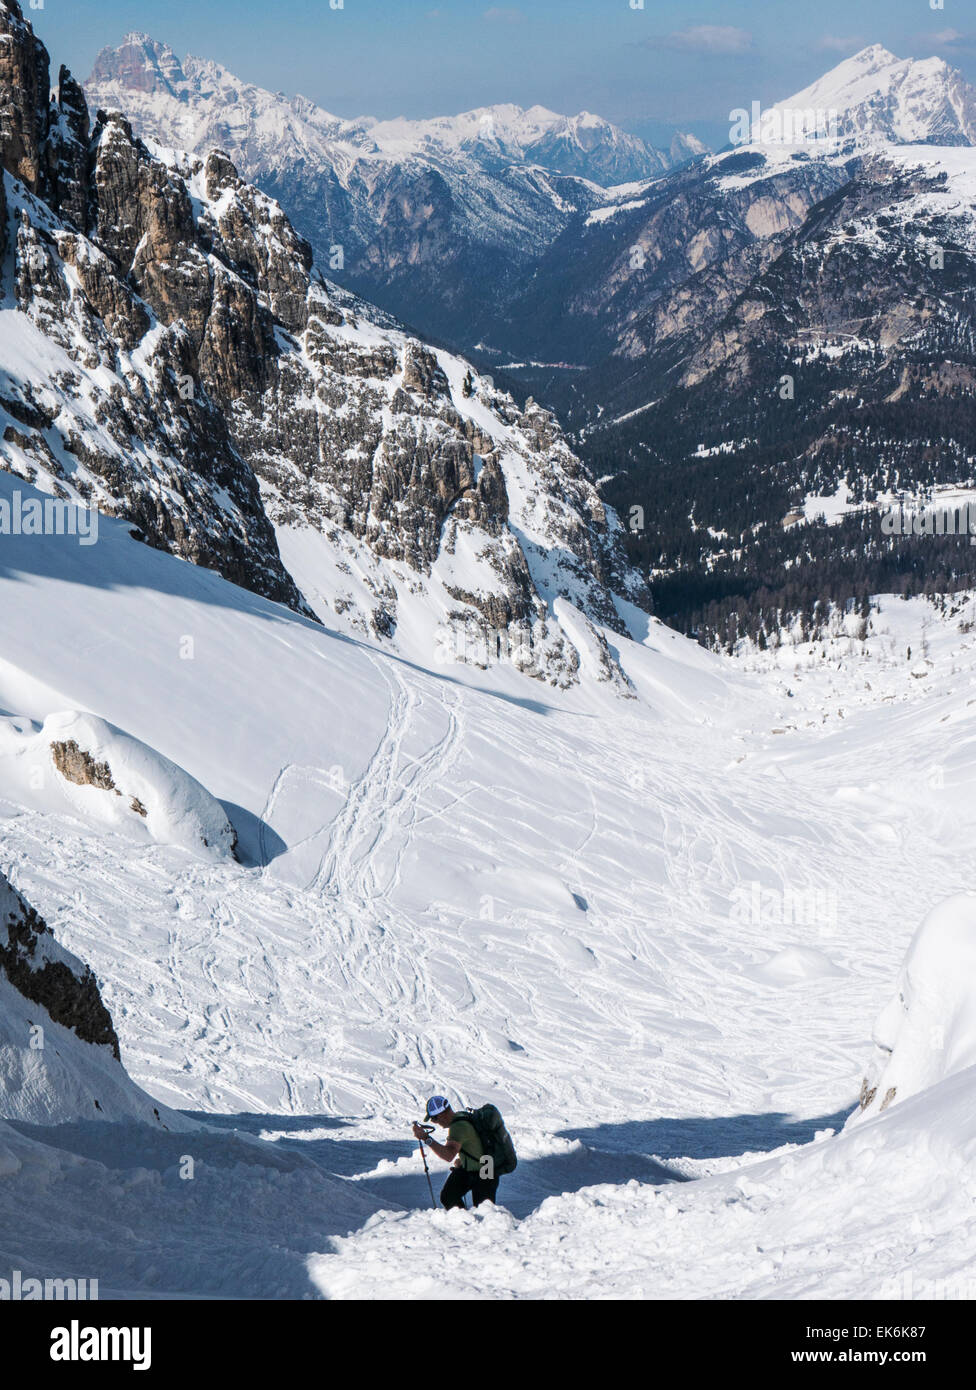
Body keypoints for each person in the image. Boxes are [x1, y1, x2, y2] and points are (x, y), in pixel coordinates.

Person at [412, 1095, 499, 1210]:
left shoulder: (458, 1127)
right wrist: (464, 1159)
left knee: (483, 1211)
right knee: (449, 1196)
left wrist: (426, 1139)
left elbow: (448, 1155)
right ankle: (463, 1221)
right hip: (483, 1167)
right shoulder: (461, 1117)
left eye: (434, 1119)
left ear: (442, 1114)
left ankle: (467, 1223)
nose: (434, 1122)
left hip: (484, 1170)